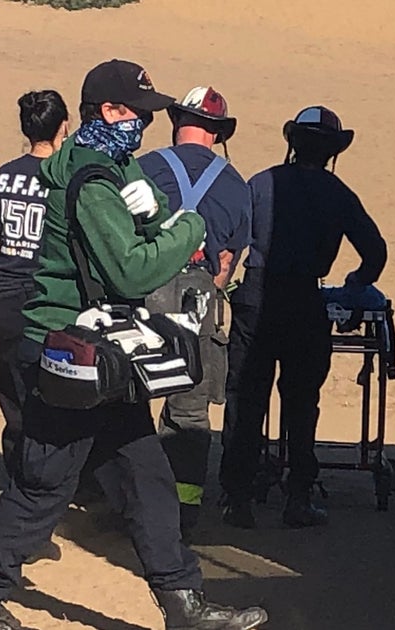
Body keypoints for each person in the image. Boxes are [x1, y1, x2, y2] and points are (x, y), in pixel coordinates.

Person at [0, 59, 268, 630]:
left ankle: (183, 602)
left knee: (148, 479)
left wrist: (157, 217)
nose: (143, 123)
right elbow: (130, 272)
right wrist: (189, 229)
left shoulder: (111, 169)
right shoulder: (94, 181)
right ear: (110, 111)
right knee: (44, 486)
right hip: (69, 353)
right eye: (138, 112)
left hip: (99, 351)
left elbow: (141, 233)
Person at [219, 105, 387, 530]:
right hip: (304, 302)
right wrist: (354, 283)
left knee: (246, 398)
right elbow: (376, 251)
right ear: (332, 151)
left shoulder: (259, 184)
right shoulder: (338, 193)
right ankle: (298, 498)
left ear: (292, 143)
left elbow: (232, 241)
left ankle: (237, 498)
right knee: (300, 403)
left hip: (256, 296)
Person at [138, 86, 250, 535]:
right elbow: (227, 263)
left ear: (175, 122)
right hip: (200, 297)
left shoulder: (144, 167)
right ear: (217, 133)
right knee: (189, 413)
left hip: (146, 290)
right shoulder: (236, 183)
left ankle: (133, 503)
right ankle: (184, 511)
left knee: (129, 399)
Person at [0, 89, 69, 495]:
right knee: (51, 407)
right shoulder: (65, 178)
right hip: (47, 302)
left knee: (13, 404)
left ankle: (15, 488)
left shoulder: (3, 175)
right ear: (64, 127)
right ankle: (39, 494)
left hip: (7, 296)